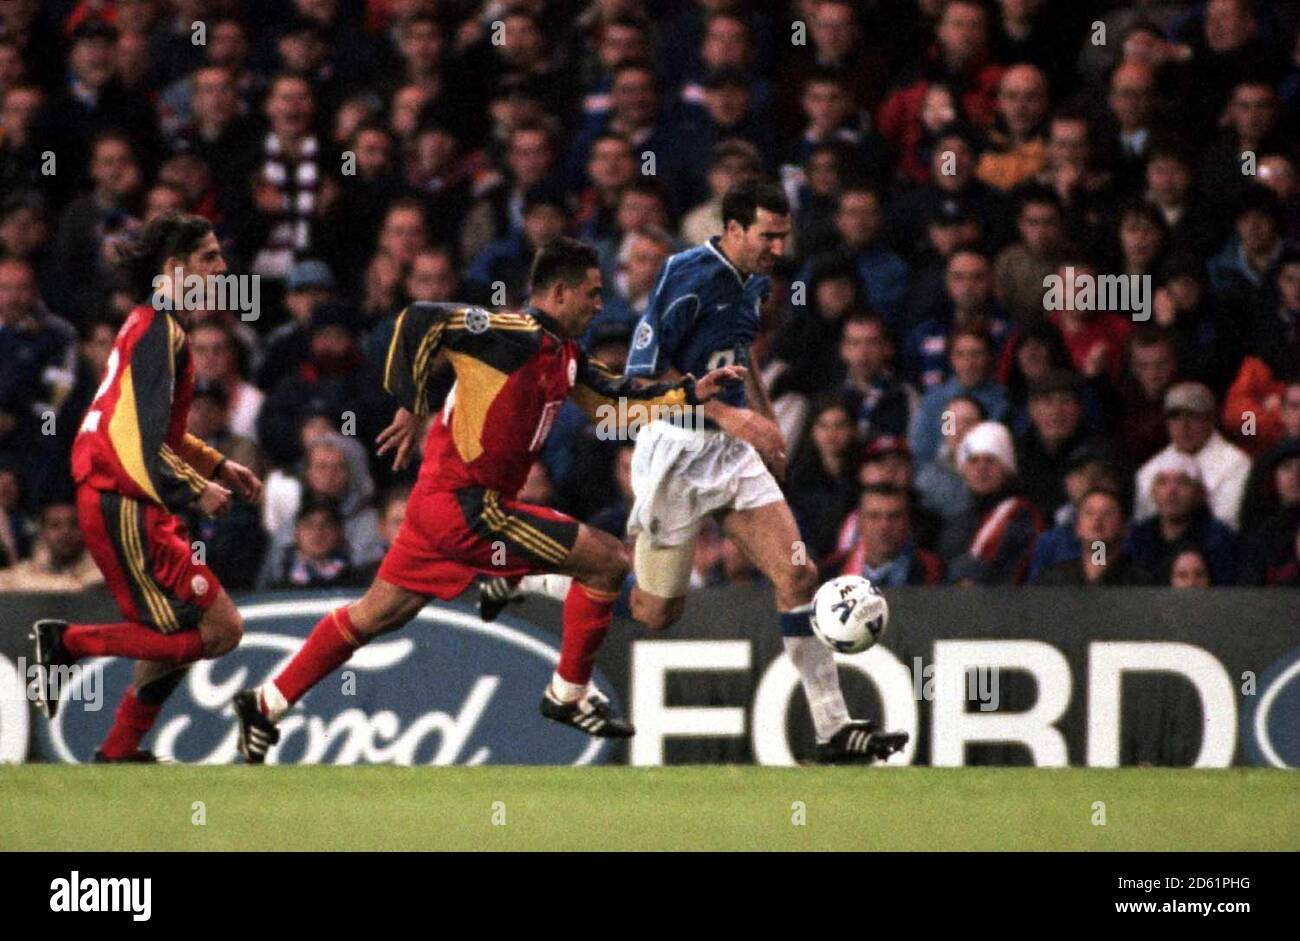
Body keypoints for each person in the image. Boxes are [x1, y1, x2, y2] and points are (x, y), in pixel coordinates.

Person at [231, 238, 744, 761]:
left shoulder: (563, 355)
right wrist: (412, 403)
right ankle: (565, 689)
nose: (599, 303)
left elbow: (613, 400)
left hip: (440, 506)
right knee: (608, 561)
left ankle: (267, 702)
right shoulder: (511, 334)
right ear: (559, 293)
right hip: (469, 507)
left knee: (373, 616)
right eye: (591, 294)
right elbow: (418, 320)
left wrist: (689, 393)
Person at [613, 179, 908, 763]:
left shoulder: (756, 279)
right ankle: (561, 574)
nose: (778, 246)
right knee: (655, 612)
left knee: (799, 576)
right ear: (734, 230)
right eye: (768, 236)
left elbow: (738, 353)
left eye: (784, 235)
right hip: (674, 451)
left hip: (730, 451)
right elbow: (640, 379)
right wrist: (734, 417)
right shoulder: (684, 277)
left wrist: (765, 424)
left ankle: (833, 729)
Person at [29, 213, 263, 763]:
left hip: (127, 496)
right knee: (220, 631)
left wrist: (218, 465)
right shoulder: (161, 332)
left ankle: (117, 753)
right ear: (174, 269)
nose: (222, 268)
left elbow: (157, 430)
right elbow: (138, 442)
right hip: (123, 499)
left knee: (196, 632)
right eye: (209, 258)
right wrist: (196, 487)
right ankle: (66, 644)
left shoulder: (150, 324)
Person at [1032, 488, 1154, 586]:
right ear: (1078, 526)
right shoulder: (1052, 579)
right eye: (1089, 513)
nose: (1097, 520)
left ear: (1124, 528)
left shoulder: (1140, 582)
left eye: (1107, 513)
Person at [836, 484, 943, 586]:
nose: (884, 526)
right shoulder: (832, 569)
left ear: (908, 522)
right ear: (859, 522)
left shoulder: (934, 571)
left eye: (894, 517)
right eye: (874, 516)